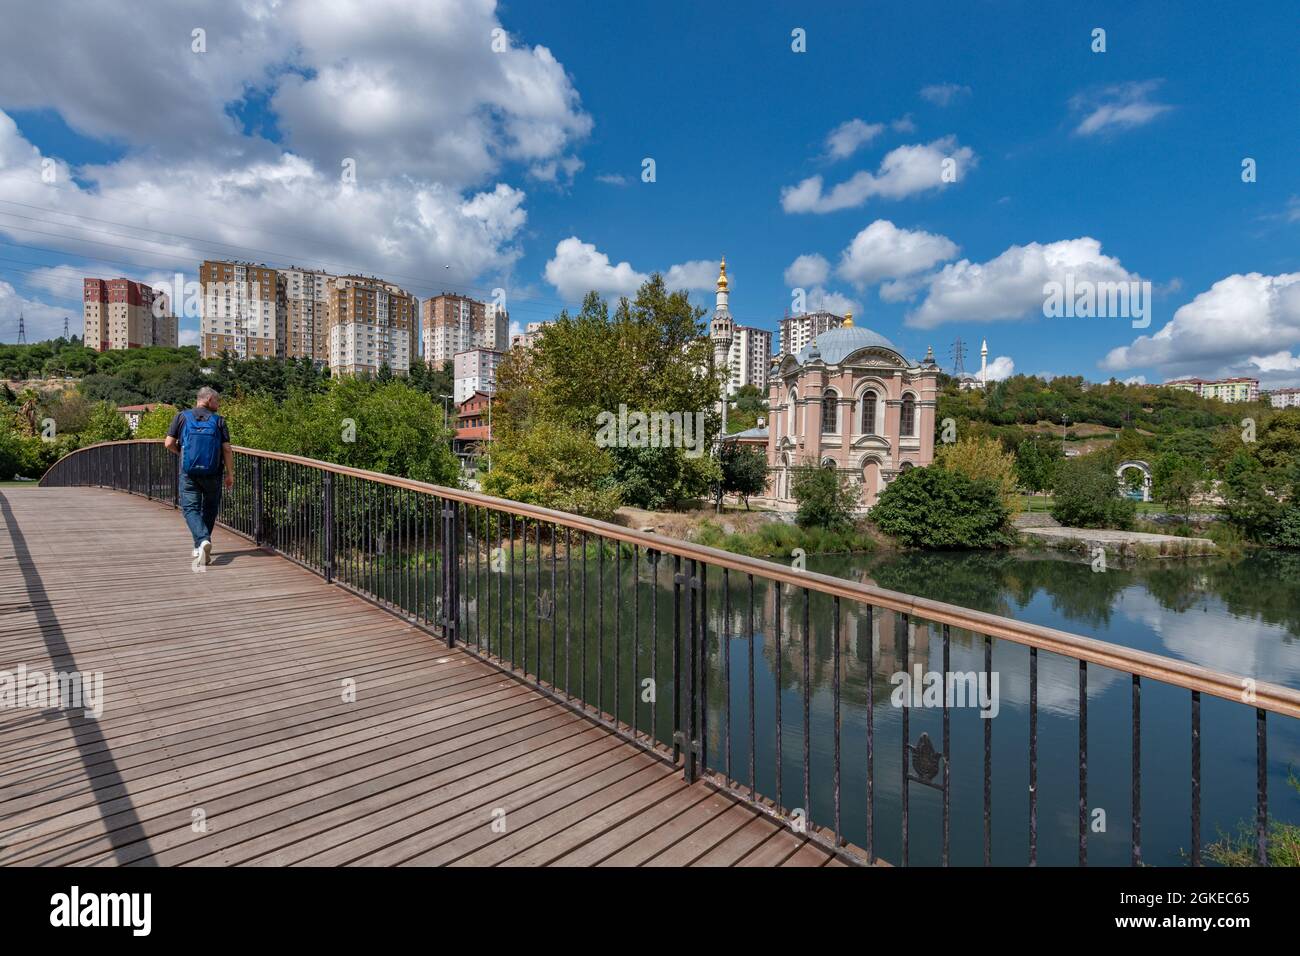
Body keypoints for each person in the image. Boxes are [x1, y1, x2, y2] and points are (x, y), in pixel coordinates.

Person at [165, 387, 234, 566]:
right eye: (217, 401)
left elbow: (168, 443)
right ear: (209, 399)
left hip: (189, 472)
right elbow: (227, 448)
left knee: (190, 509)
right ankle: (203, 541)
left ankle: (201, 542)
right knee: (210, 508)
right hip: (213, 472)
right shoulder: (219, 421)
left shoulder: (181, 417)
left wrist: (181, 453)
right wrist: (230, 473)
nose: (218, 405)